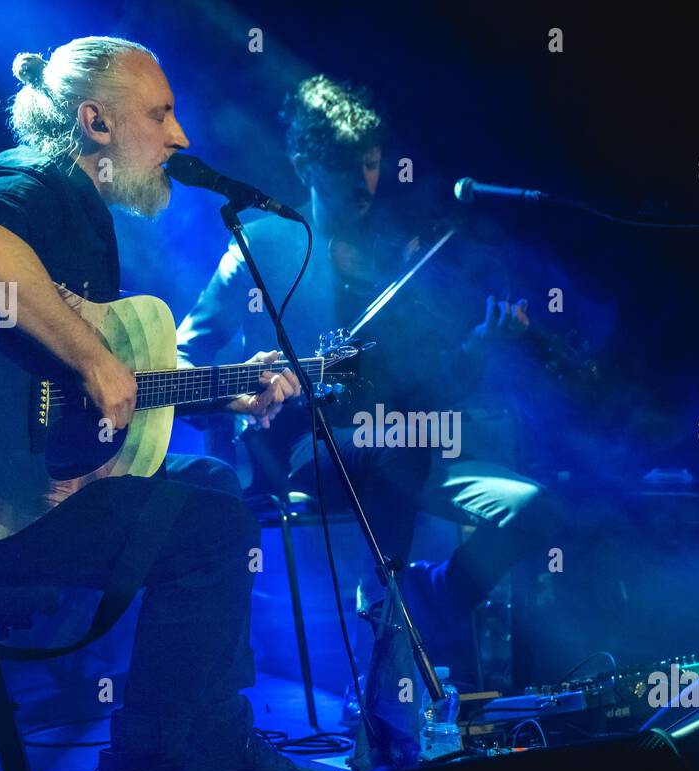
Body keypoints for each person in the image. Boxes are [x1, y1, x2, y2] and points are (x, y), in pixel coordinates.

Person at [0, 37, 339, 771]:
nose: (180, 137)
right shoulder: (34, 185)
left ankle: (217, 751)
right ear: (94, 121)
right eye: (159, 115)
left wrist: (214, 390)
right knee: (208, 528)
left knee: (211, 488)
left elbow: (62, 402)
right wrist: (92, 360)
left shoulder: (75, 208)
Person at [177, 75, 565, 695]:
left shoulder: (395, 260)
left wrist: (477, 349)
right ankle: (391, 641)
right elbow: (184, 354)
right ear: (304, 162)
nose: (363, 183)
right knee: (395, 448)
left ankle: (424, 596)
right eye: (343, 166)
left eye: (372, 164)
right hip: (305, 452)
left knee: (534, 508)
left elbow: (431, 383)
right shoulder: (262, 244)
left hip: (400, 448)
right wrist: (237, 413)